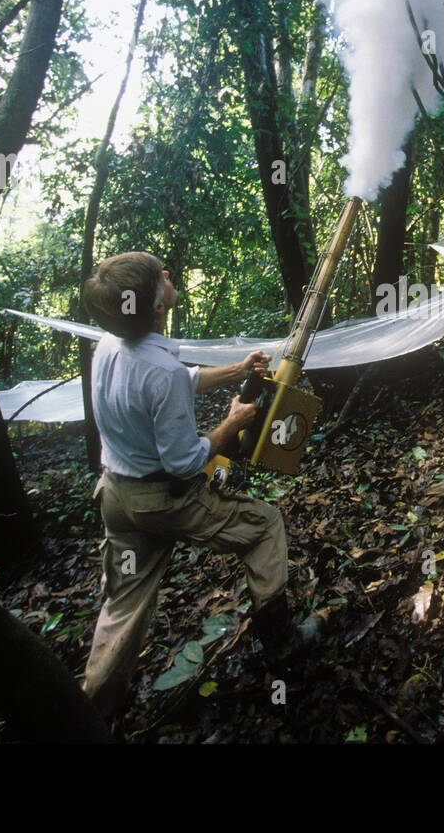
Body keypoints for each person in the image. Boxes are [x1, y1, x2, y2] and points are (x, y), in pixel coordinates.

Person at [78, 251, 315, 722]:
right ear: (156, 307)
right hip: (163, 499)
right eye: (160, 277)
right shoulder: (159, 371)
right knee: (266, 526)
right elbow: (186, 461)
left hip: (117, 496)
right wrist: (232, 423)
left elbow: (176, 380)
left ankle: (91, 708)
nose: (168, 274)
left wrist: (236, 372)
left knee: (125, 604)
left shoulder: (110, 345)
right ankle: (282, 642)